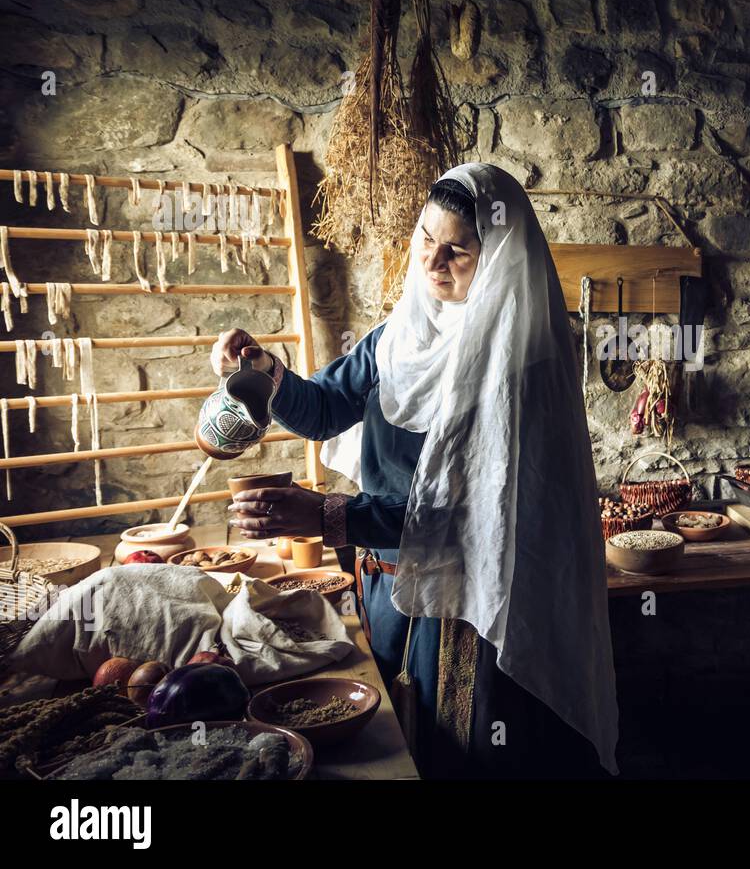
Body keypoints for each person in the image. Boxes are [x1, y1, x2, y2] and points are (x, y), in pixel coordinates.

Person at [210, 164, 619, 778]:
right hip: (385, 584)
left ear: (501, 257)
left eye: (458, 249)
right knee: (395, 744)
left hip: (465, 603)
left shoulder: (518, 368)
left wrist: (326, 515)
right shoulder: (398, 337)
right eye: (427, 238)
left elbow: (475, 515)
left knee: (459, 758)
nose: (435, 260)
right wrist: (263, 369)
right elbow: (323, 409)